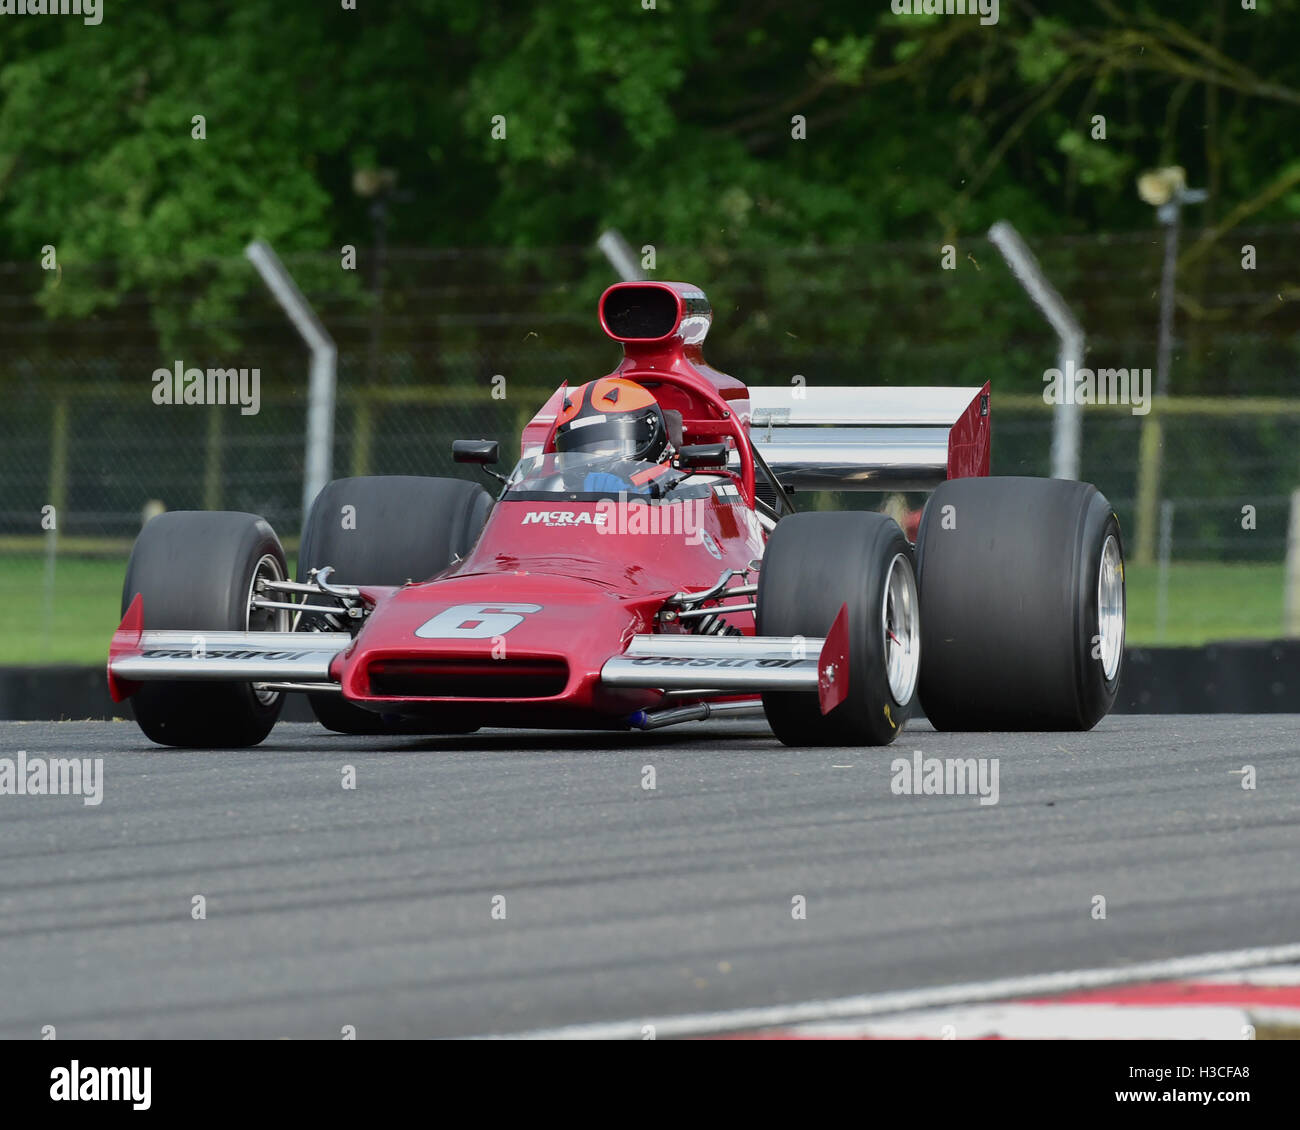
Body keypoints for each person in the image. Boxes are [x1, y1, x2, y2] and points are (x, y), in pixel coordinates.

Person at [552, 377, 676, 494]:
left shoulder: (685, 503)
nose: (594, 460)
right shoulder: (551, 511)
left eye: (607, 445)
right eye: (580, 451)